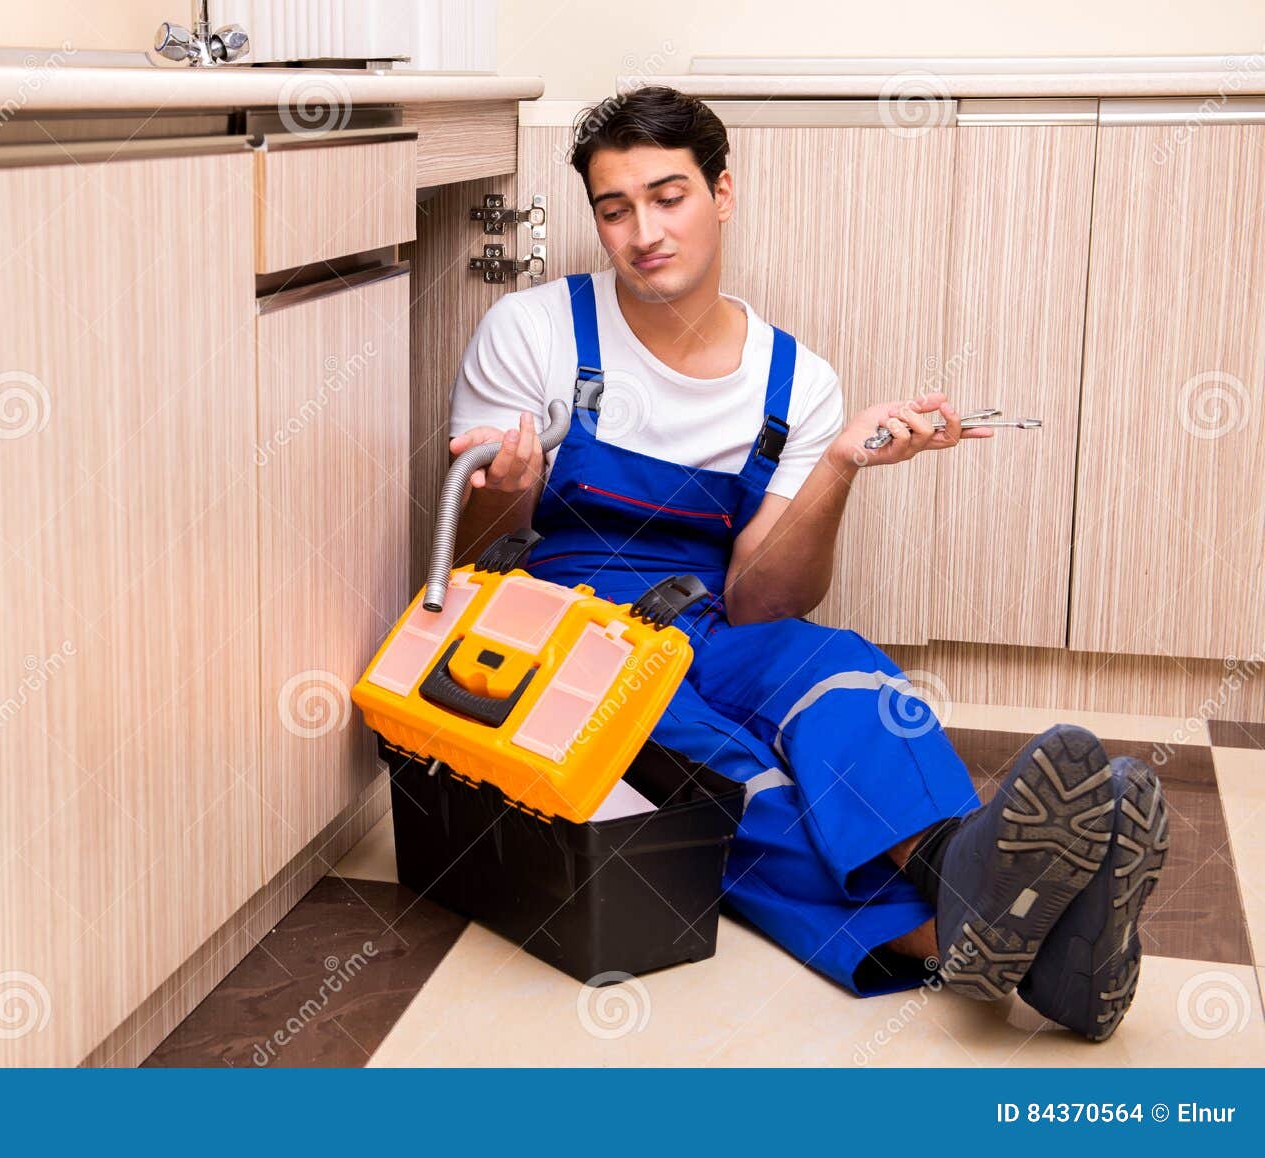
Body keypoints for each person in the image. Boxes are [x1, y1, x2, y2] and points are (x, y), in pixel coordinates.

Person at [446, 86, 1169, 1040]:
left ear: (724, 193)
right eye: (614, 209)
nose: (643, 231)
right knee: (720, 763)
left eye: (669, 197)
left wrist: (836, 467)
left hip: (706, 617)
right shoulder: (533, 332)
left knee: (839, 670)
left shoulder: (796, 382)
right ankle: (982, 928)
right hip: (565, 624)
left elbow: (761, 601)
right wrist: (506, 486)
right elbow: (460, 557)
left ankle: (978, 880)